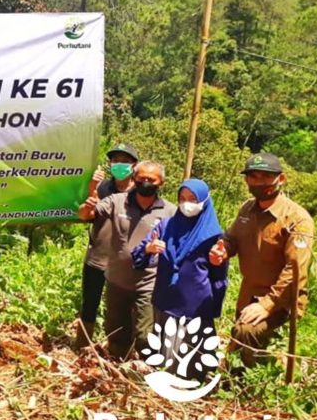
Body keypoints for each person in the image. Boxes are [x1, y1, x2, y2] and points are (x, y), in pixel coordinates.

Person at [209, 153, 314, 367]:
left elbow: (295, 271)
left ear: (281, 179)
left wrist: (267, 305)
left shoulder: (297, 219)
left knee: (246, 331)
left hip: (281, 300)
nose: (259, 182)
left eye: (266, 177)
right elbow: (232, 238)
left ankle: (247, 389)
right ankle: (239, 378)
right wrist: (224, 249)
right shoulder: (247, 209)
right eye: (253, 177)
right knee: (239, 343)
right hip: (248, 294)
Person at [131, 179, 229, 379]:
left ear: (204, 201)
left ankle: (194, 387)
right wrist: (148, 249)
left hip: (195, 305)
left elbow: (219, 277)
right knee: (166, 351)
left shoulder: (214, 236)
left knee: (192, 357)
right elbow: (139, 254)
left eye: (192, 199)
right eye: (182, 199)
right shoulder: (167, 226)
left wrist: (213, 305)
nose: (186, 204)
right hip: (165, 299)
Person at [78, 160, 175, 360]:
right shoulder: (117, 201)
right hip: (116, 280)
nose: (146, 182)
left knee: (144, 335)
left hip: (148, 283)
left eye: (151, 179)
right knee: (116, 332)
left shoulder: (170, 212)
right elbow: (87, 214)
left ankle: (150, 372)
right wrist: (88, 206)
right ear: (134, 179)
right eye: (141, 179)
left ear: (161, 183)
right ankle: (120, 370)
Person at [76, 142, 139, 347]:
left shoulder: (142, 191)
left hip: (125, 262)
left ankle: (120, 349)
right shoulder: (103, 187)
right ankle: (83, 346)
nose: (119, 165)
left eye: (125, 161)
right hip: (98, 256)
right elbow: (87, 214)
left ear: (134, 165)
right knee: (90, 304)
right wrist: (92, 188)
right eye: (115, 161)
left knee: (122, 308)